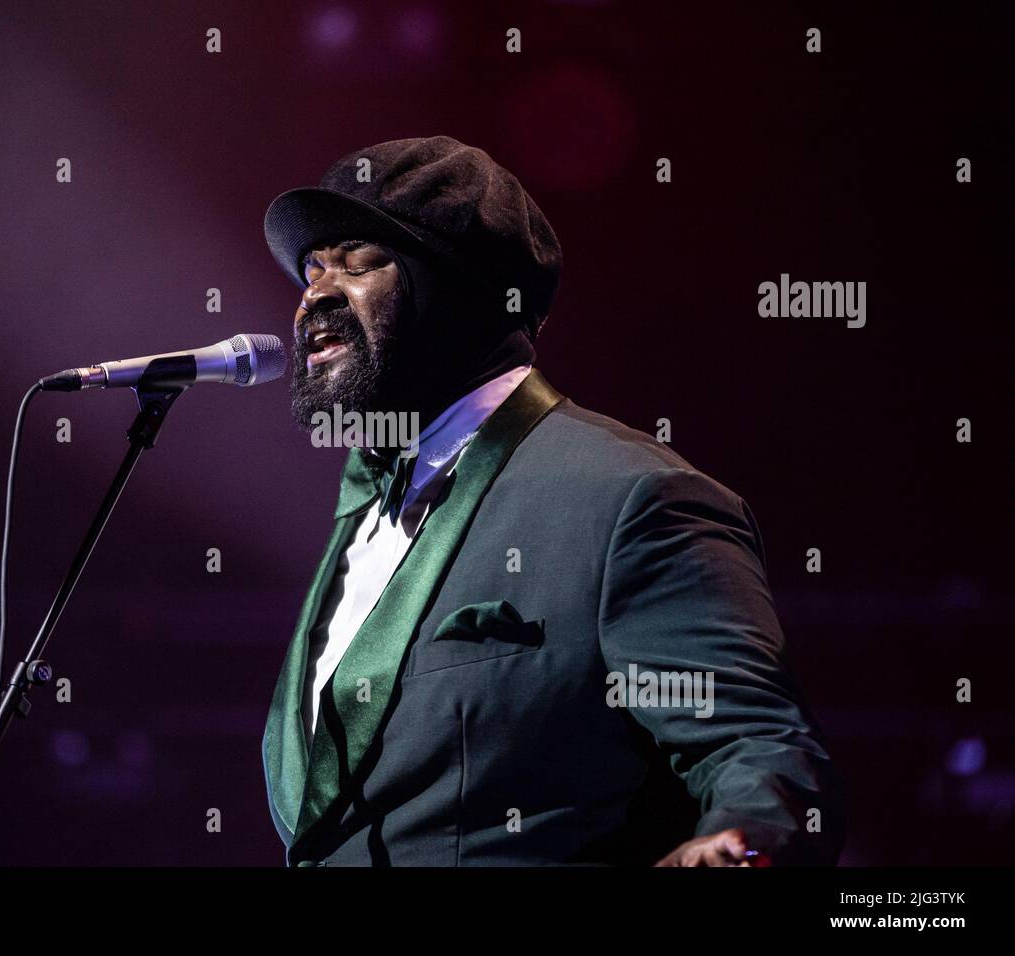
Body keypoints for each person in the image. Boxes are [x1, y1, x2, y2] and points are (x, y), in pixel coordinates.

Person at [260, 135, 843, 867]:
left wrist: (741, 844)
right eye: (312, 269)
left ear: (461, 289)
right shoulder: (363, 517)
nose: (315, 294)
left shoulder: (628, 498)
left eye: (360, 262)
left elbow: (755, 746)